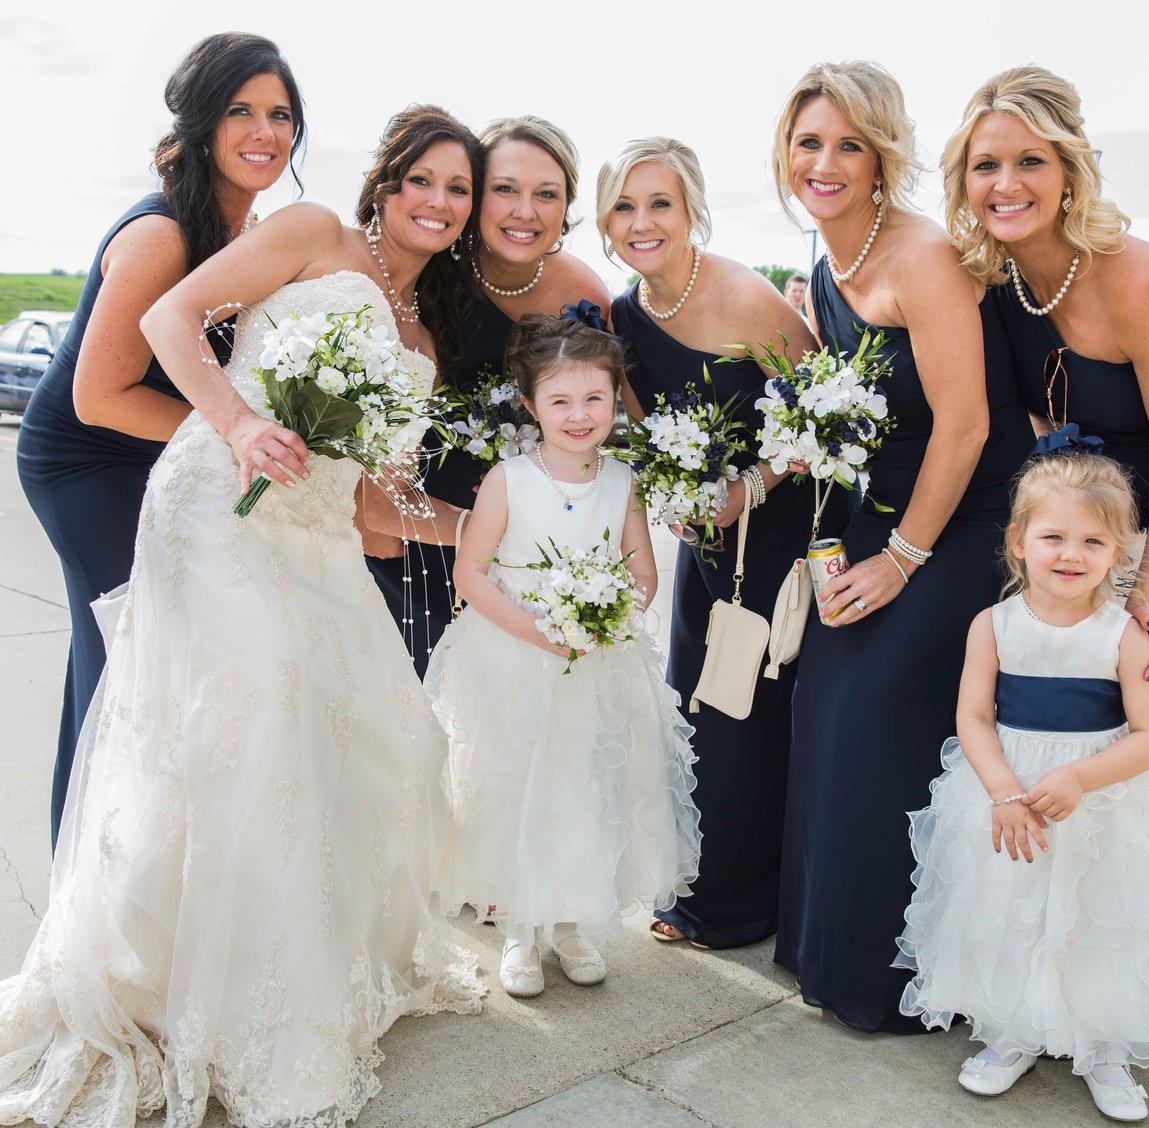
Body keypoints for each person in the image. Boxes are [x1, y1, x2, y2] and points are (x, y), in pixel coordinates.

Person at [0, 104, 485, 1127]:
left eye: (459, 189)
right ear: (385, 181)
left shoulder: (422, 343)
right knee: (252, 721)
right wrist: (240, 420)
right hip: (212, 512)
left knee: (383, 737)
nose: (438, 202)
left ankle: (269, 976)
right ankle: (182, 990)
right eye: (423, 180)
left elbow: (372, 502)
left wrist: (491, 529)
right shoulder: (312, 235)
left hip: (311, 541)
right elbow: (166, 318)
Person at [770, 61, 1033, 1031]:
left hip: (966, 524)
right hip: (882, 520)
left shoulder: (920, 254)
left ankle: (895, 976)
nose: (825, 162)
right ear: (784, 153)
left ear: (885, 156)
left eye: (850, 144)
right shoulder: (817, 266)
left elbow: (963, 426)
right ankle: (827, 953)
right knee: (823, 706)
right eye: (809, 142)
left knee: (876, 708)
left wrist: (902, 560)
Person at [16, 33, 304, 849]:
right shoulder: (162, 235)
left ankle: (107, 860)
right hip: (83, 462)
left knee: (110, 659)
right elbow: (98, 396)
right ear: (203, 122)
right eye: (241, 110)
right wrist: (239, 429)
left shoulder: (250, 229)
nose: (264, 131)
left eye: (280, 114)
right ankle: (89, 875)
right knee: (128, 660)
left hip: (157, 454)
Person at [942, 65, 1149, 778]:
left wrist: (1140, 596)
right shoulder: (996, 280)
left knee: (1147, 702)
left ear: (1070, 171)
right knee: (1070, 707)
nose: (1007, 184)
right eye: (985, 165)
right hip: (1098, 514)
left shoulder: (1141, 284)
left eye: (1031, 161)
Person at [895, 450, 1149, 1123]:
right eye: (1053, 536)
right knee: (1010, 908)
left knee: (1103, 916)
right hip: (1009, 793)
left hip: (1105, 800)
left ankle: (1104, 1046)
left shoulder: (1124, 636)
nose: (1071, 553)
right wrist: (1000, 789)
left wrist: (1081, 777)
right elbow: (972, 715)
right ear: (1019, 543)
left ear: (1119, 554)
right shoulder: (993, 627)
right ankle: (1012, 1031)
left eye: (1092, 541)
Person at [426, 312, 700, 997]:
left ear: (614, 399)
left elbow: (642, 573)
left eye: (594, 399)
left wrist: (610, 615)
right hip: (514, 660)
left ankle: (571, 921)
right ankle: (521, 925)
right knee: (519, 790)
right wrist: (533, 628)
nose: (579, 415)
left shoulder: (621, 481)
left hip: (596, 668)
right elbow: (472, 574)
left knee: (584, 789)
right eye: (560, 401)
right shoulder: (509, 480)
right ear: (531, 405)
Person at [602, 136, 817, 949]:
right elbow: (643, 431)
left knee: (751, 711)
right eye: (624, 205)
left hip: (776, 531)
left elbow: (824, 415)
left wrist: (747, 491)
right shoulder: (625, 316)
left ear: (692, 211)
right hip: (706, 542)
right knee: (696, 707)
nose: (642, 221)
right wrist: (675, 498)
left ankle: (744, 903)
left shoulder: (748, 299)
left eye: (660, 203)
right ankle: (702, 884)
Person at [364, 115, 610, 676]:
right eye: (505, 189)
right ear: (476, 197)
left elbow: (591, 430)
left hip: (529, 553)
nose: (525, 212)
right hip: (412, 539)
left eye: (546, 194)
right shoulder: (426, 273)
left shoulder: (583, 295)